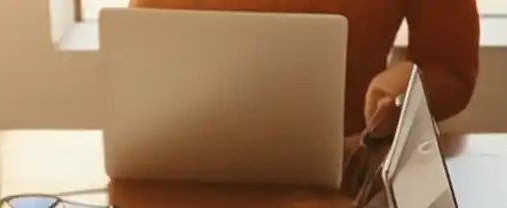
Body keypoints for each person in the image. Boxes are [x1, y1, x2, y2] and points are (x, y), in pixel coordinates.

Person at [128, 0, 481, 137]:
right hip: (192, 167)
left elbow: (450, 67)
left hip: (344, 173)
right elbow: (143, 49)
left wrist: (400, 92)